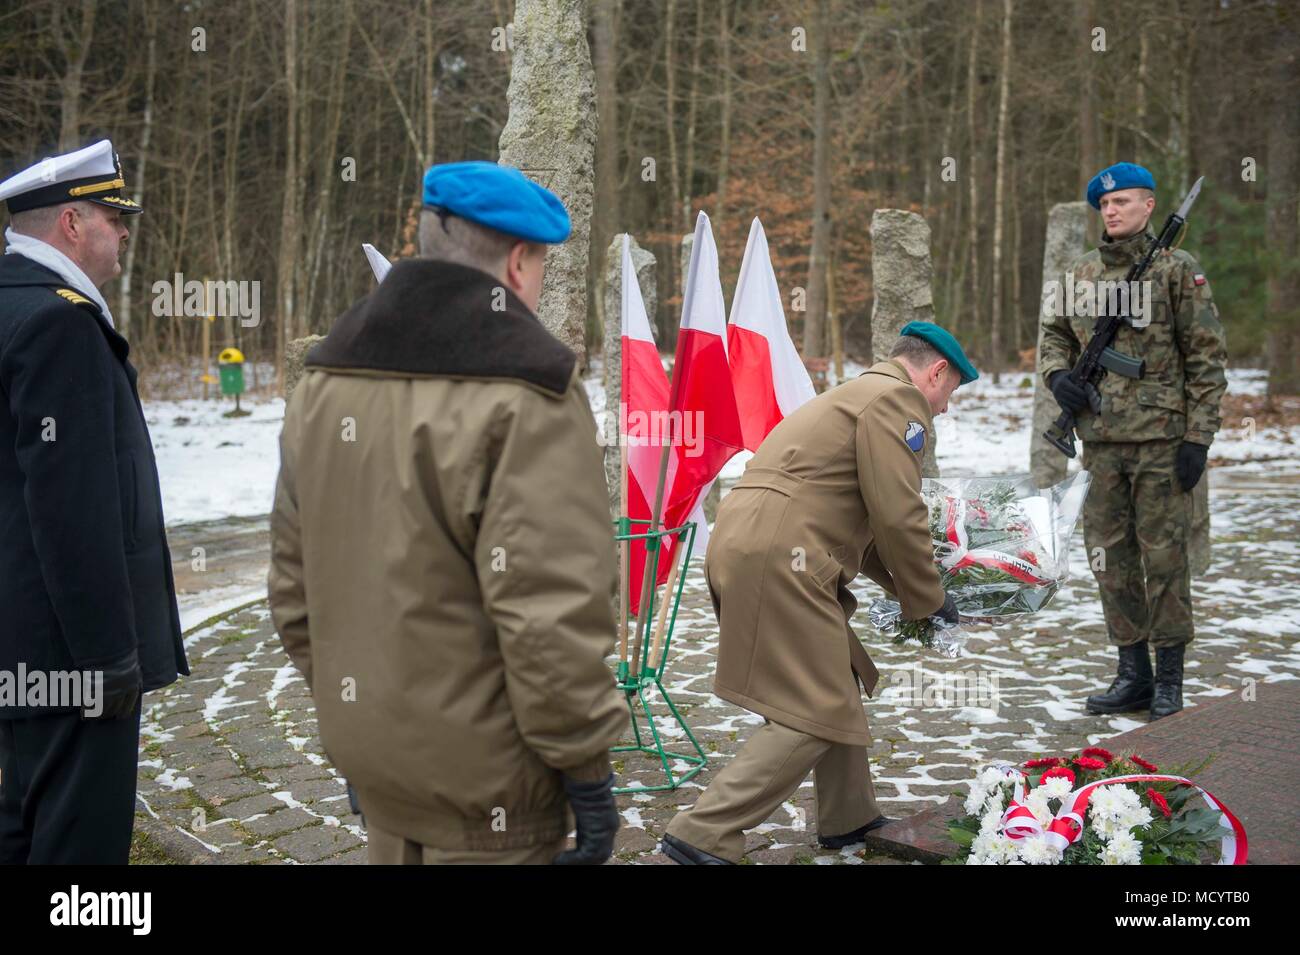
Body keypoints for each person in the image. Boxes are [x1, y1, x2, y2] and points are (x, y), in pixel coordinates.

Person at [269, 161, 625, 865]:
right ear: (520, 262)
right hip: (494, 790)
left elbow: (292, 587)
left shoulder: (325, 381)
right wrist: (587, 768)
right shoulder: (531, 394)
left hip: (377, 764)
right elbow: (550, 616)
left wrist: (363, 721)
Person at [661, 322, 976, 865]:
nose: (944, 408)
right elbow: (899, 516)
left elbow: (871, 525)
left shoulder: (856, 394)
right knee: (812, 705)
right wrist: (928, 599)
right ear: (936, 372)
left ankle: (848, 814)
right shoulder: (897, 401)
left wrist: (916, 591)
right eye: (949, 393)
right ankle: (704, 831)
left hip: (754, 545)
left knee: (836, 675)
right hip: (783, 555)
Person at [0, 140, 187, 863]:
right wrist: (109, 655)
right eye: (114, 216)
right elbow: (70, 509)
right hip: (72, 654)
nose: (125, 231)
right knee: (82, 851)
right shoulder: (58, 323)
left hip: (25, 646)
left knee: (23, 827)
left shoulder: (15, 306)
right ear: (73, 223)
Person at [1040, 162, 1227, 722]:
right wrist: (1058, 378)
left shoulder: (1176, 270)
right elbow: (1052, 335)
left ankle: (1170, 676)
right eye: (1104, 204)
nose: (1111, 210)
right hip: (1099, 443)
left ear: (1149, 206)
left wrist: (1199, 437)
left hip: (1162, 443)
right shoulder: (1080, 276)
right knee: (1111, 561)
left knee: (1165, 560)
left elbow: (1207, 358)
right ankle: (1132, 674)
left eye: (1122, 201)